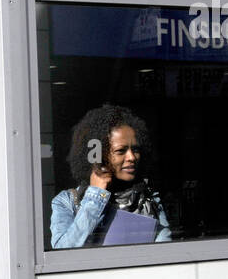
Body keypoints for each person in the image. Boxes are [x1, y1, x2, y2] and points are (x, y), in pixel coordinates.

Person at [50, 104, 172, 248]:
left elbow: (164, 252)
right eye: (121, 151)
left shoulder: (147, 198)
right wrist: (95, 197)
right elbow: (63, 252)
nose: (132, 157)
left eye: (136, 150)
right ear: (99, 155)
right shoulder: (67, 202)